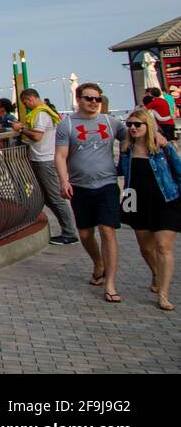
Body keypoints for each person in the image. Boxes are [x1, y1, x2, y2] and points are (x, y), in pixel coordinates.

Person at [56, 82, 128, 303]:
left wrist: (156, 138)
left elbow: (134, 133)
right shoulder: (67, 124)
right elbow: (60, 155)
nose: (94, 103)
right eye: (89, 99)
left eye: (97, 99)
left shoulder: (111, 122)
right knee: (86, 234)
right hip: (80, 185)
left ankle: (110, 284)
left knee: (108, 231)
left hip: (107, 183)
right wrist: (64, 180)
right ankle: (98, 262)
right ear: (79, 99)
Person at [119, 108, 181, 311]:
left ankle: (163, 294)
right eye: (129, 125)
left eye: (138, 124)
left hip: (165, 199)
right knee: (146, 248)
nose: (133, 128)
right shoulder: (126, 149)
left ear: (148, 125)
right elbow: (120, 173)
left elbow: (178, 172)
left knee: (163, 247)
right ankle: (156, 272)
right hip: (136, 200)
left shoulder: (163, 148)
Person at [15, 89, 78, 244]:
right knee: (47, 197)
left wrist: (21, 129)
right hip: (42, 158)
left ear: (29, 99)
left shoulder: (41, 114)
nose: (25, 105)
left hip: (44, 159)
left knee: (55, 198)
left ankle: (70, 233)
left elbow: (37, 136)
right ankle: (67, 229)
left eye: (25, 102)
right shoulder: (45, 112)